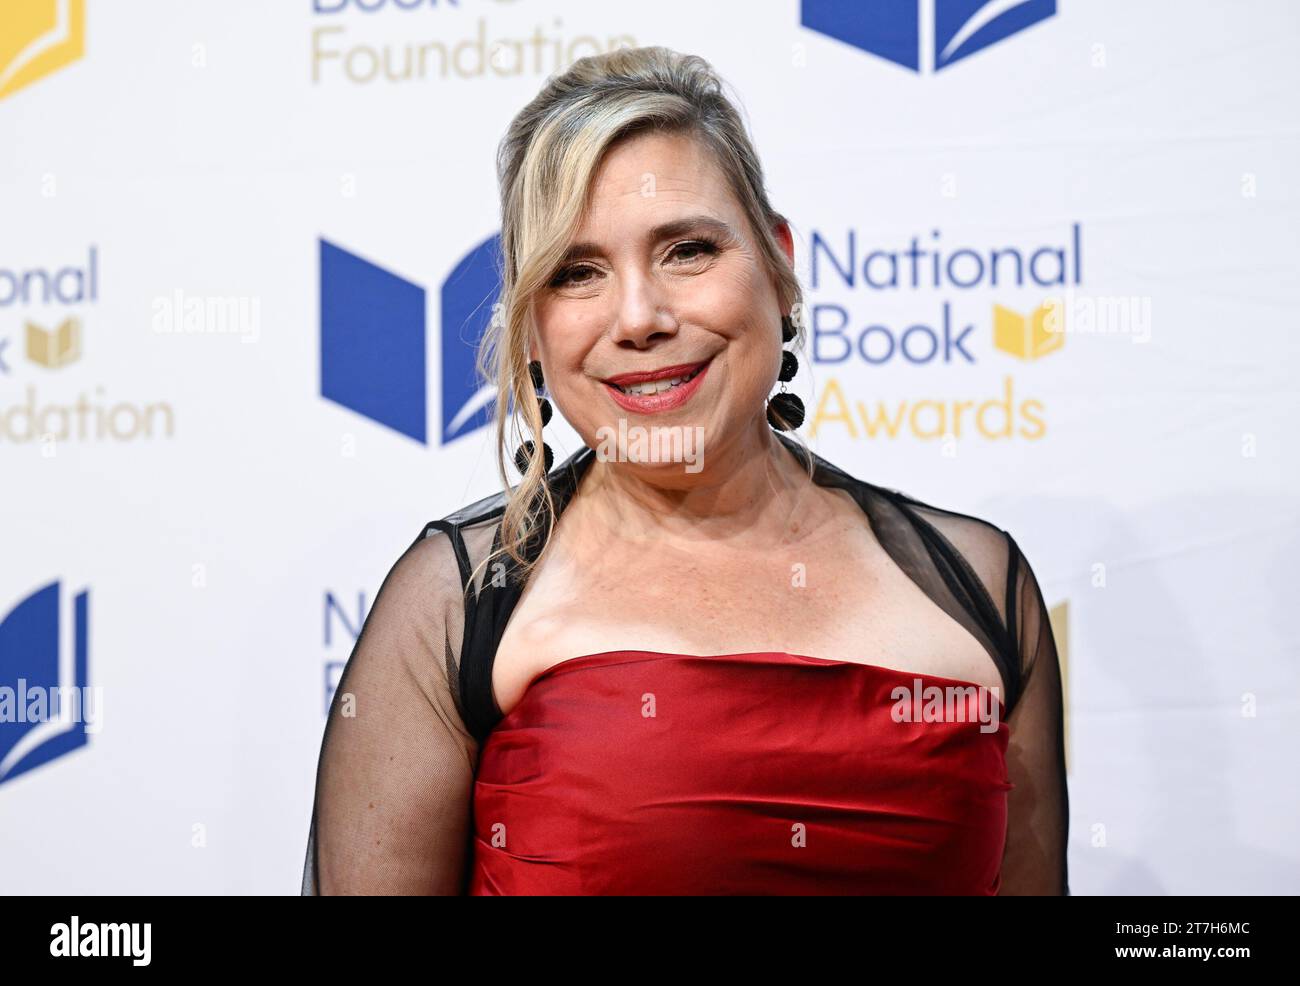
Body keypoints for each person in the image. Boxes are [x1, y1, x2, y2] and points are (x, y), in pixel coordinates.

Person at [301, 45, 1069, 895]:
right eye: (577, 273)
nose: (639, 317)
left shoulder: (978, 584)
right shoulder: (457, 605)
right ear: (531, 324)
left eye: (688, 251)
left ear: (778, 264)